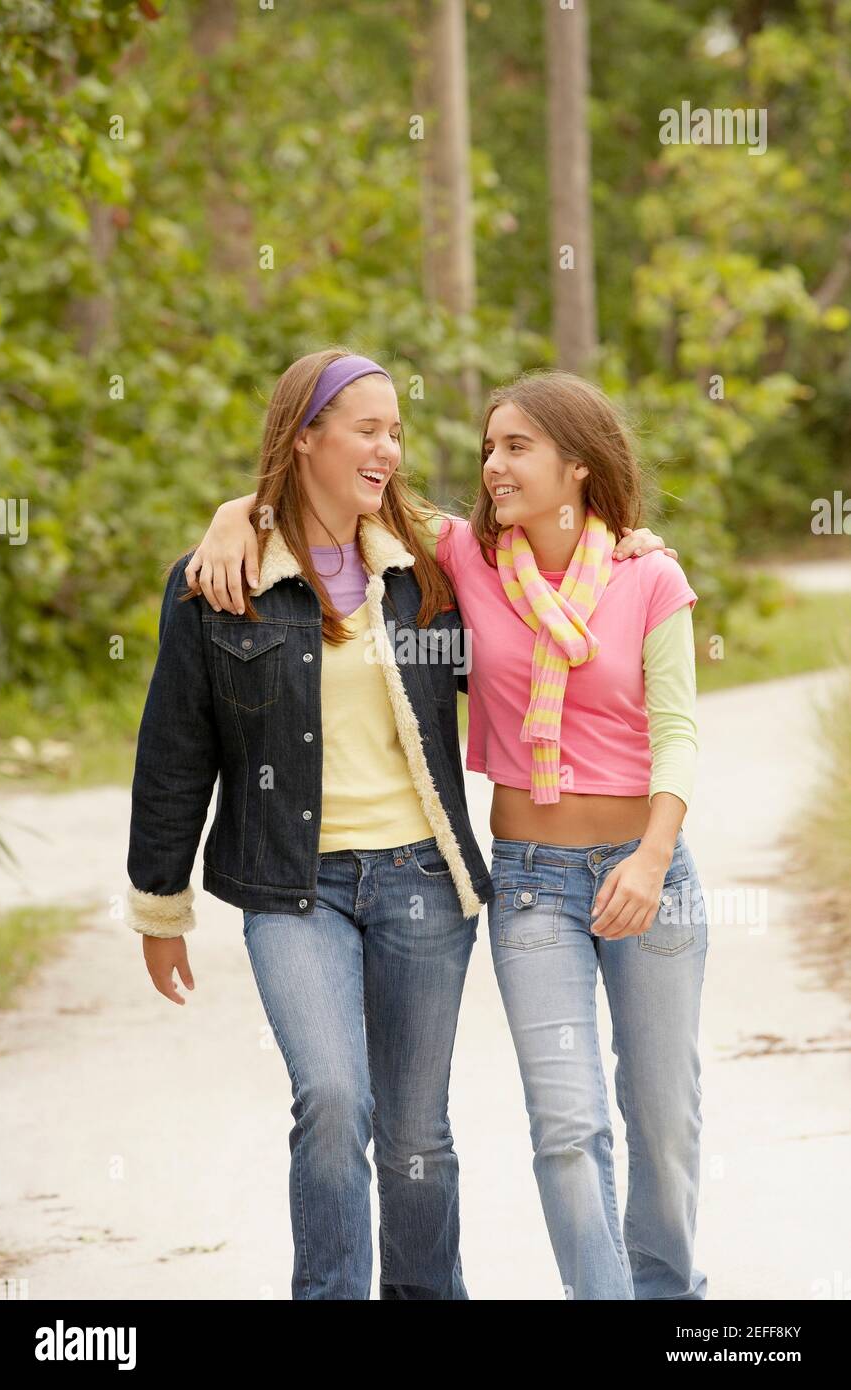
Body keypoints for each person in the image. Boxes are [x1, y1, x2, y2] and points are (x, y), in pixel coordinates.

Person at [186, 363, 703, 1299]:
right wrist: (238, 513)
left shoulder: (646, 573)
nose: (493, 467)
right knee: (567, 1127)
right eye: (488, 449)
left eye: (517, 448)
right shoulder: (461, 556)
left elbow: (679, 734)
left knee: (662, 1117)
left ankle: (672, 1299)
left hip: (648, 869)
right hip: (532, 879)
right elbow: (325, 502)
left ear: (579, 466)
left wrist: (657, 855)